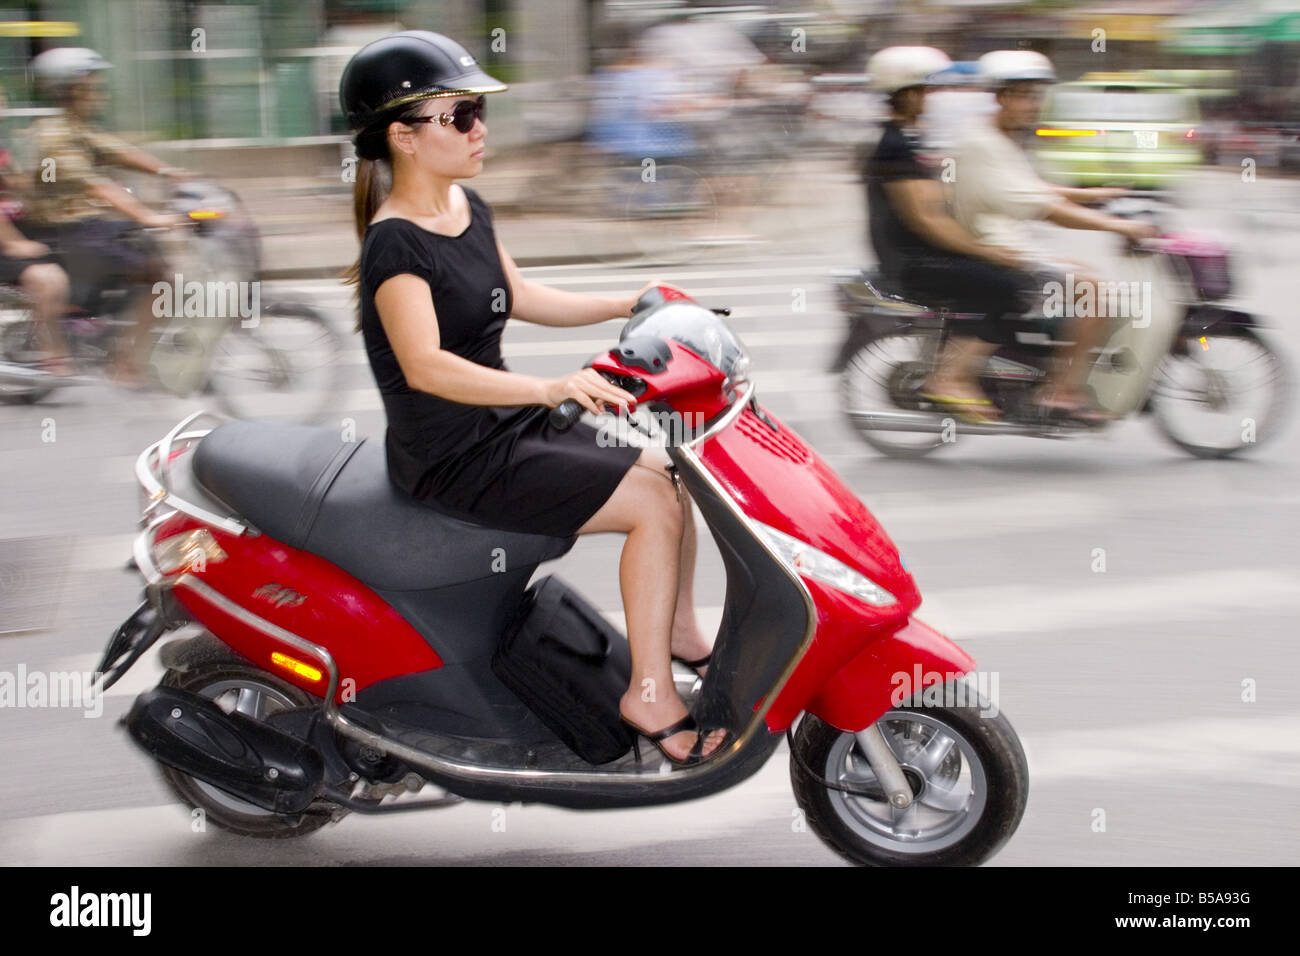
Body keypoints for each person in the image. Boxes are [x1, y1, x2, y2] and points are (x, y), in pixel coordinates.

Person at [339, 31, 724, 766]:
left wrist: (631, 300)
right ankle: (649, 693)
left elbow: (517, 295)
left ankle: (679, 636)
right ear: (404, 136)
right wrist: (548, 388)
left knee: (675, 478)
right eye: (460, 115)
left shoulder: (465, 205)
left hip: (508, 425)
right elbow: (426, 368)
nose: (479, 128)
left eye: (478, 110)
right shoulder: (395, 246)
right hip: (456, 456)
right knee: (650, 507)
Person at [947, 50, 1157, 421]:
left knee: (1083, 273)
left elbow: (1030, 187)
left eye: (1037, 96)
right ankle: (1062, 390)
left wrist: (1093, 195)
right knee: (1095, 292)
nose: (1033, 105)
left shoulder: (998, 137)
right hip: (998, 252)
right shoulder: (981, 143)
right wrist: (1120, 226)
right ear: (1001, 97)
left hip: (1009, 244)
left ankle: (1048, 367)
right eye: (1025, 96)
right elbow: (1044, 209)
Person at [861, 46, 1032, 424]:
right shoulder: (894, 147)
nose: (931, 98)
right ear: (905, 94)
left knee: (1016, 277)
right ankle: (949, 377)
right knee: (1008, 286)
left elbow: (943, 198)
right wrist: (988, 251)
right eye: (924, 91)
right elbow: (927, 220)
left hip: (923, 256)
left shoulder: (910, 139)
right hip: (913, 263)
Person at [23, 47, 188, 388]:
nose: (102, 93)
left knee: (149, 249)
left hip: (85, 225)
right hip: (66, 231)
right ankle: (125, 363)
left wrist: (171, 172)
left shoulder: (76, 127)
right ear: (72, 89)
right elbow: (96, 185)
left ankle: (109, 325)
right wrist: (149, 215)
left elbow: (119, 152)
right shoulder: (53, 135)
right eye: (93, 86)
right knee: (162, 280)